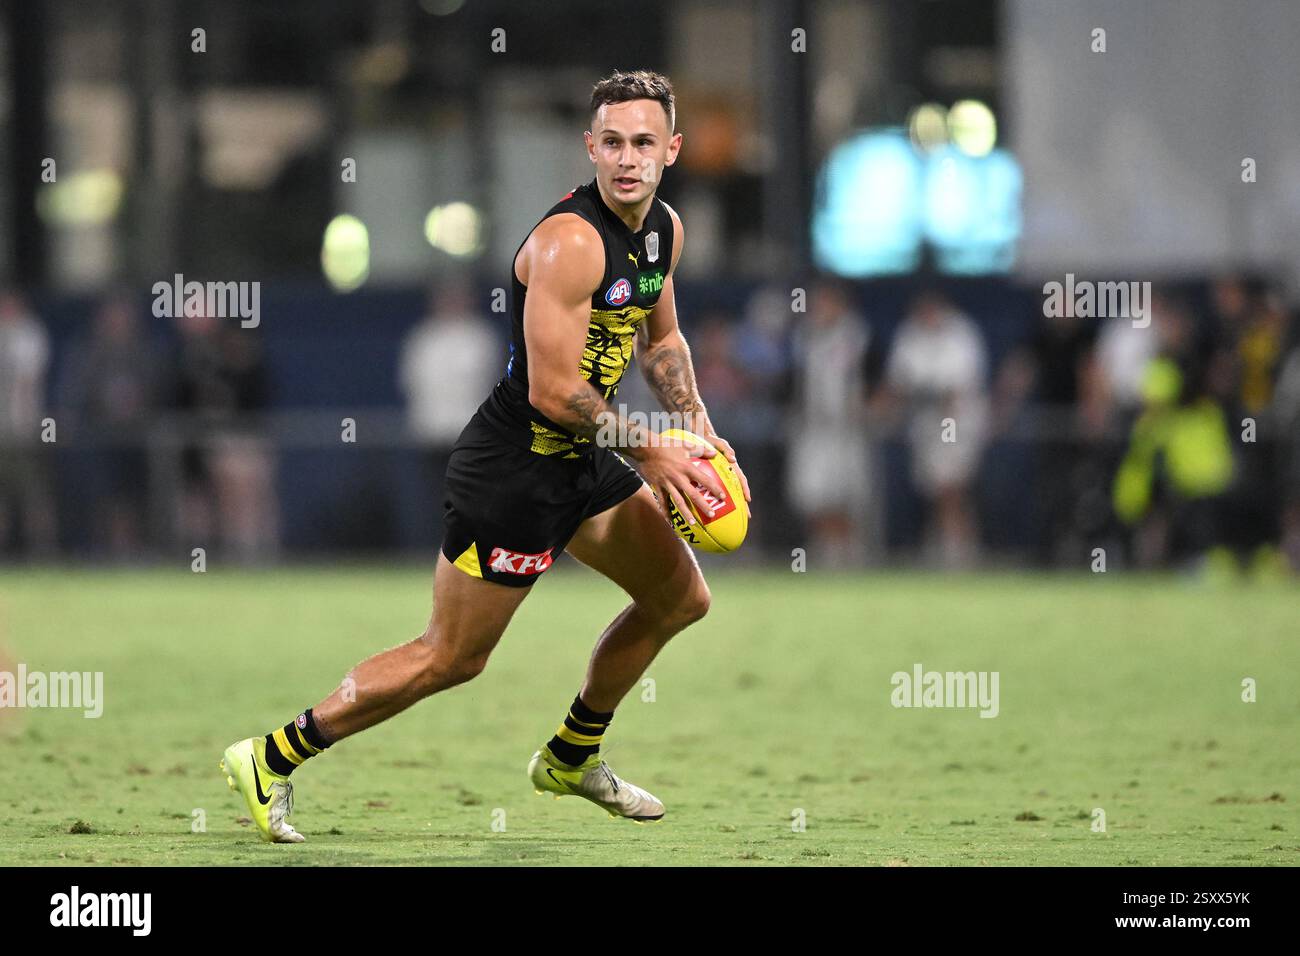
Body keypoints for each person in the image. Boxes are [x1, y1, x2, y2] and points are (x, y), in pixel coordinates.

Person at [221, 70, 750, 842]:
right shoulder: (570, 242)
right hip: (517, 469)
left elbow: (661, 338)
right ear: (590, 147)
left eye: (643, 142)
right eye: (612, 142)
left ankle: (572, 756)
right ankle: (270, 755)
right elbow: (553, 393)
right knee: (452, 658)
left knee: (681, 599)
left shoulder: (664, 227)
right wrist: (654, 453)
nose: (627, 158)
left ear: (672, 148)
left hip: (585, 457)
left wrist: (695, 427)